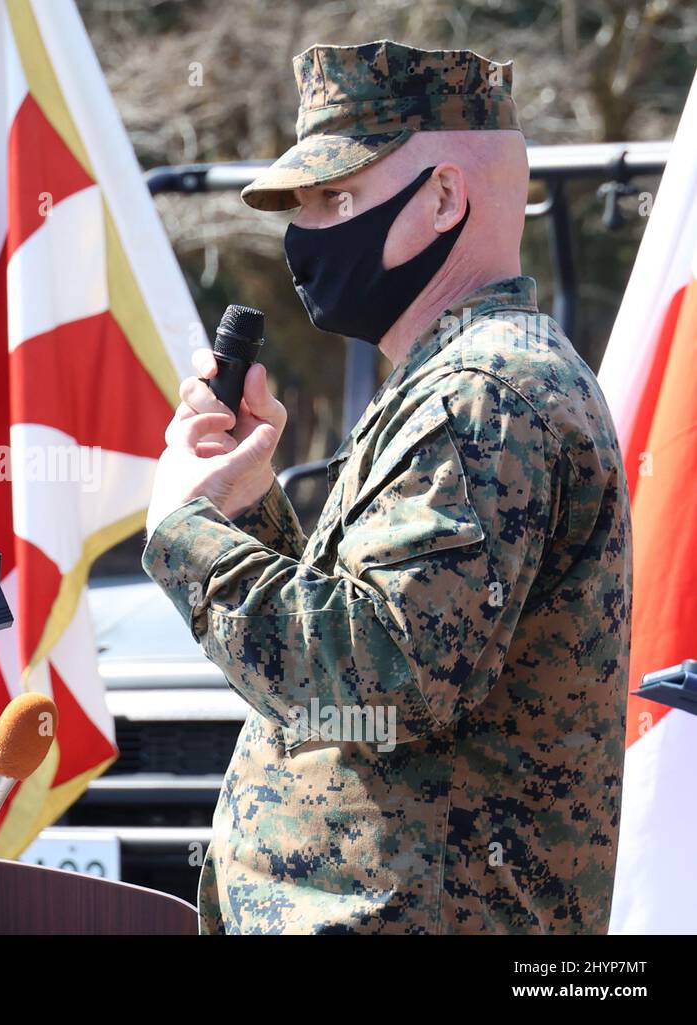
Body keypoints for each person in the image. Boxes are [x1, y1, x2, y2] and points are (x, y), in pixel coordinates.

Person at [143, 40, 630, 933]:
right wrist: (249, 498)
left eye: (339, 198)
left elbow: (382, 679)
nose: (306, 237)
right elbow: (378, 635)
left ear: (444, 196)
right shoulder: (455, 379)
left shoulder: (480, 392)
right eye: (305, 205)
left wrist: (187, 534)